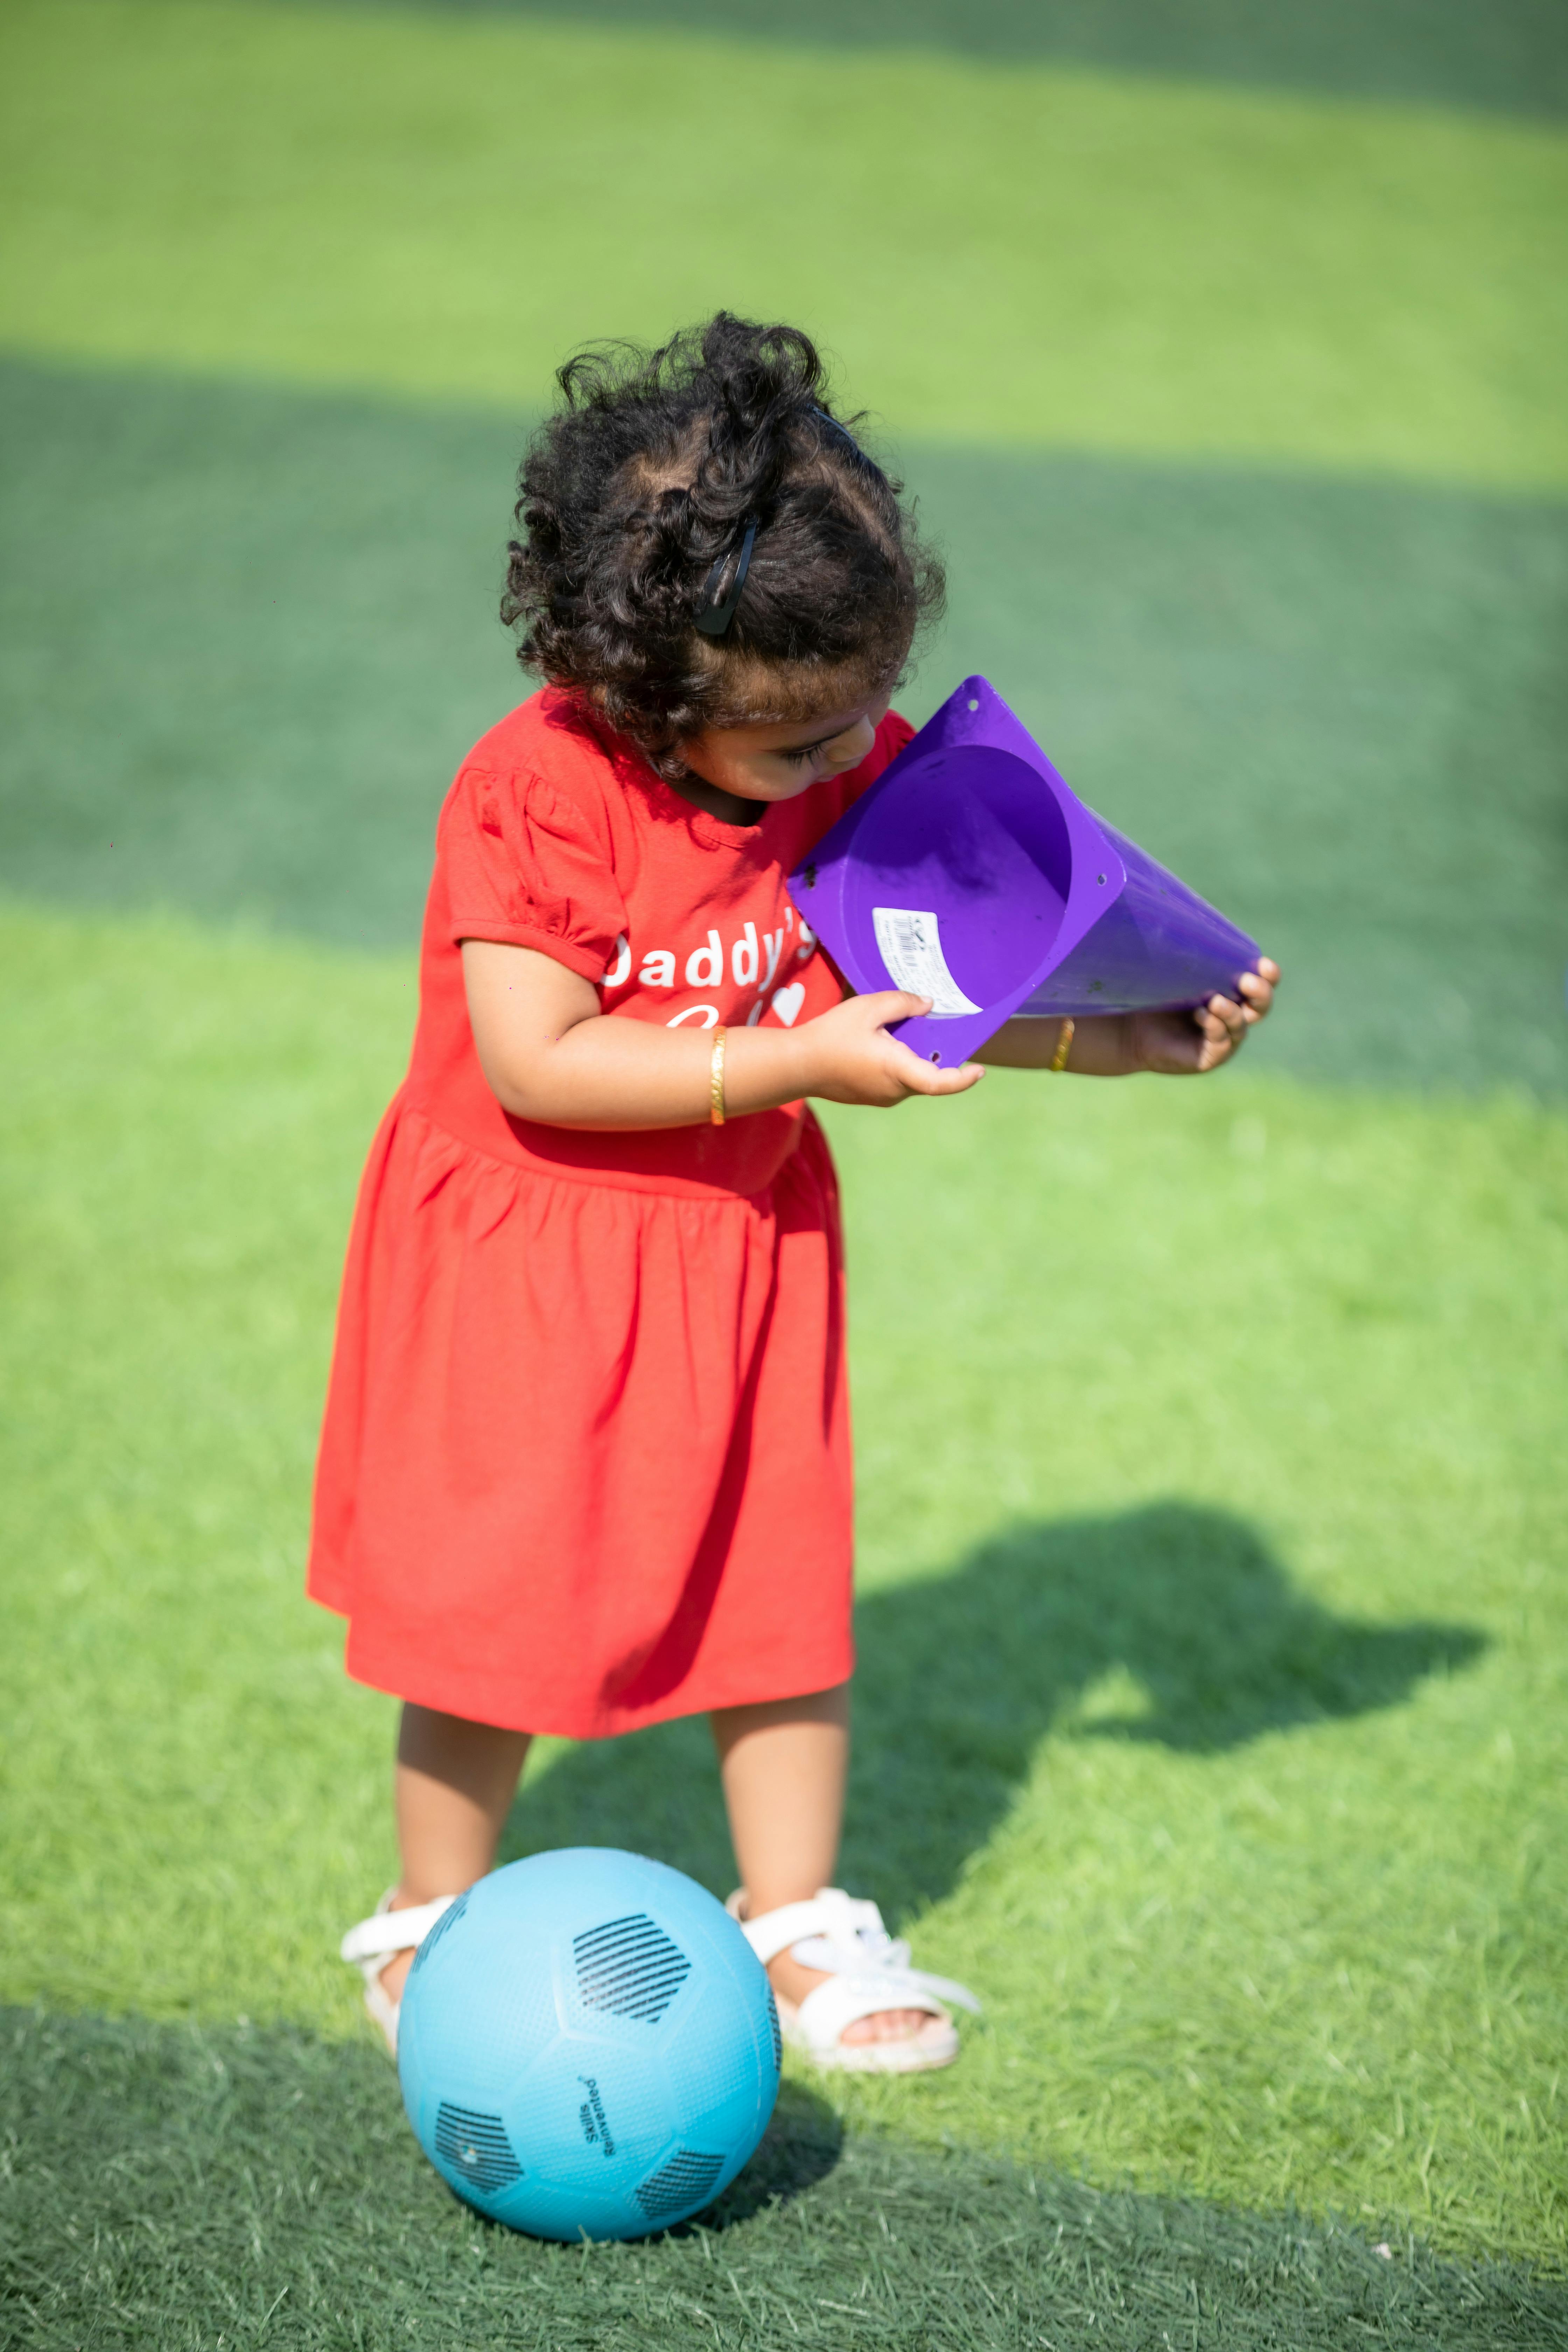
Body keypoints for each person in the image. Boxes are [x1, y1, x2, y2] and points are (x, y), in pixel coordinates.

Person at [314, 314, 1278, 2073]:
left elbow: (924, 997)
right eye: (793, 747)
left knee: (776, 1584)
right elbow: (539, 1059)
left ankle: (793, 1917)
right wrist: (783, 1064)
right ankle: (428, 1915)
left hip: (741, 1249)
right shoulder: (536, 790)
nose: (843, 763)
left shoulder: (836, 739)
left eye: (858, 720)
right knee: (494, 1602)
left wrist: (1124, 1044)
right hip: (536, 1257)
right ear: (636, 684)